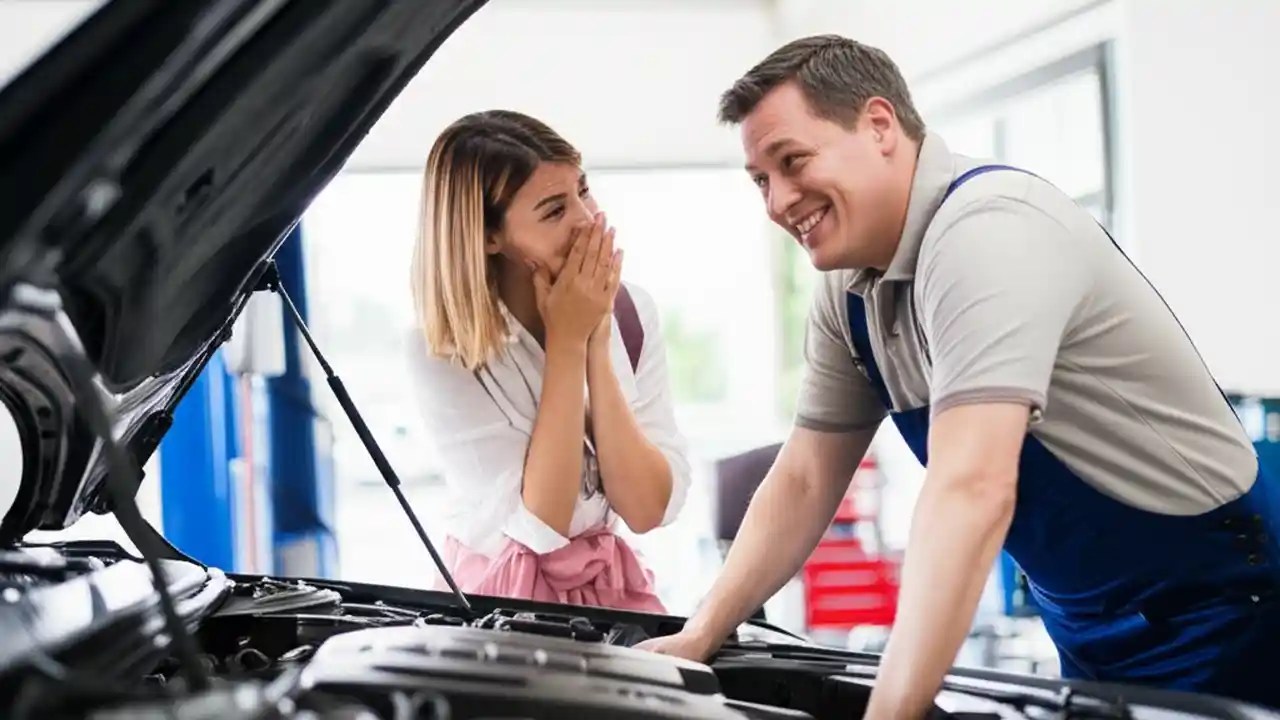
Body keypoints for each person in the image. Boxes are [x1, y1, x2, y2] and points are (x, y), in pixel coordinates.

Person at [637, 33, 1280, 715]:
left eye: (793, 162)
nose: (776, 202)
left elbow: (971, 488)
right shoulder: (847, 293)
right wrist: (701, 632)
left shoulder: (988, 232)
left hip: (1223, 607)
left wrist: (891, 711)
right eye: (761, 180)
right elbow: (803, 478)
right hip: (1086, 624)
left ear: (879, 125)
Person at [406, 110, 691, 613]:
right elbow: (542, 526)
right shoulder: (441, 350)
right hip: (497, 606)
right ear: (489, 236)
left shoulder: (630, 313)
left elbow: (648, 508)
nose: (587, 220)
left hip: (608, 598)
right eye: (555, 210)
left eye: (584, 191)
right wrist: (567, 343)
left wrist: (596, 340)